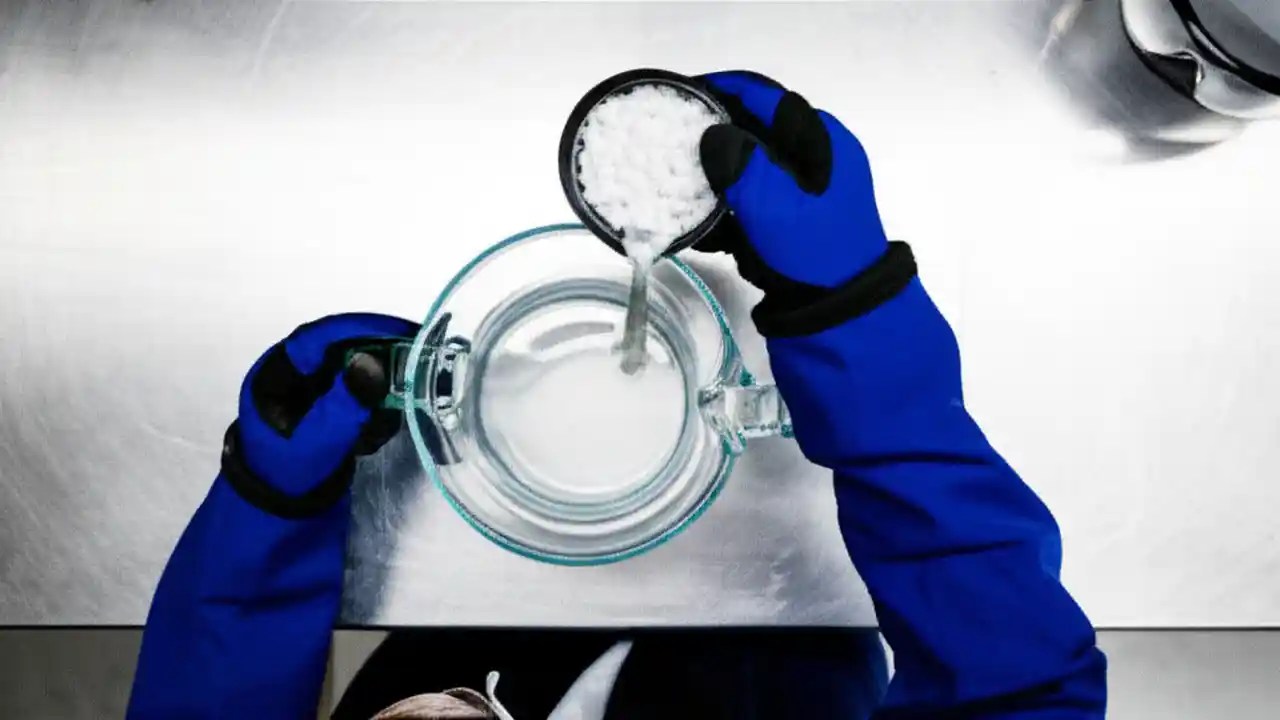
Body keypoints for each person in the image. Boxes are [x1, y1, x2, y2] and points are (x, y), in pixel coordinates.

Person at [126, 71, 1108, 719]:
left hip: (506, 610)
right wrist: (855, 319)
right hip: (782, 651)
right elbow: (1015, 691)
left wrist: (263, 523)